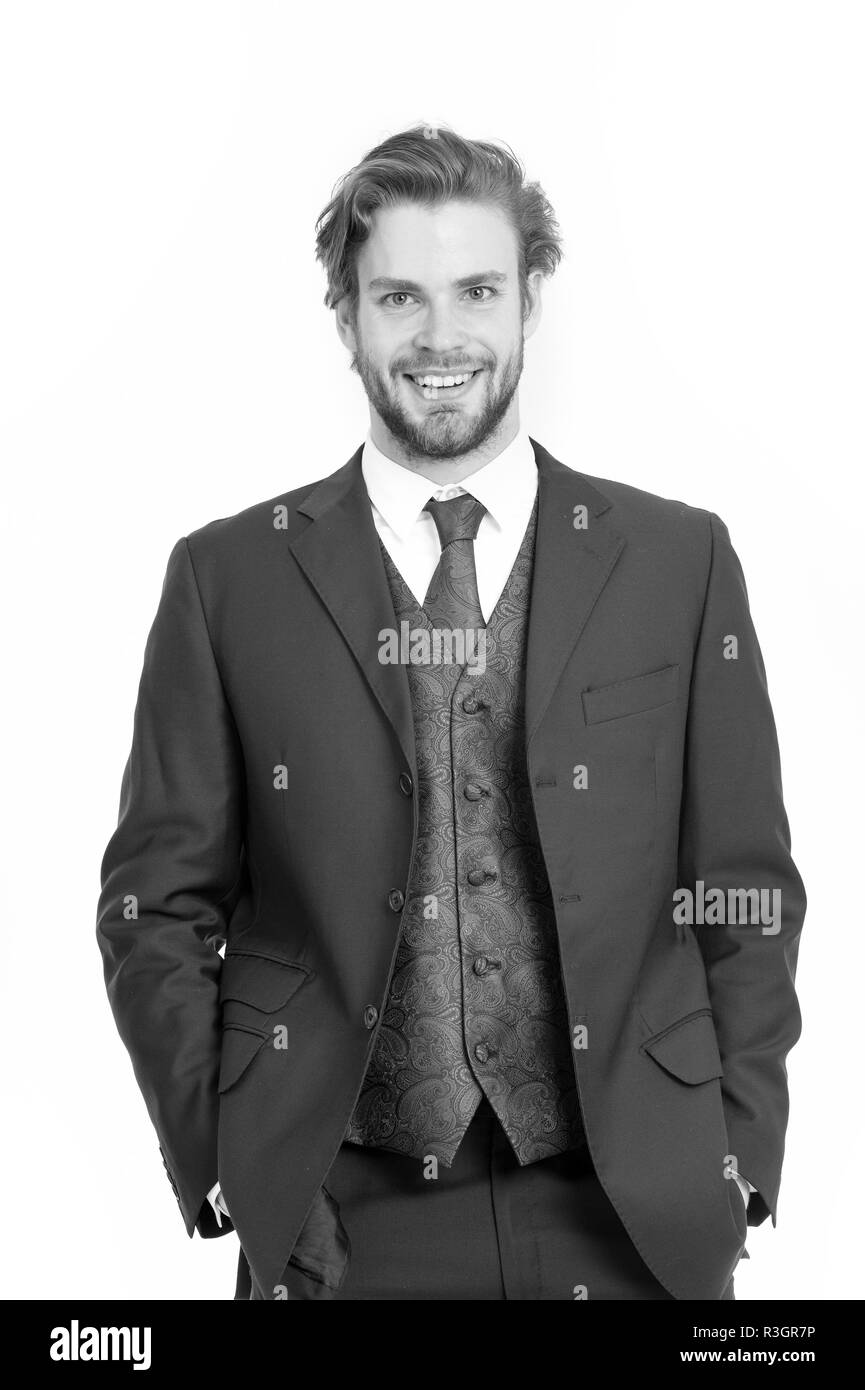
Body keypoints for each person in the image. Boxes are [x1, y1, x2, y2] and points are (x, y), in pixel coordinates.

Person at [96, 125, 806, 1300]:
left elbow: (746, 884)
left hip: (633, 1208)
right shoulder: (228, 580)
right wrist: (232, 1158)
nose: (440, 338)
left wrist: (734, 1151)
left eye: (477, 290)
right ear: (345, 317)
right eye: (397, 297)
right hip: (342, 1214)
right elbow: (153, 904)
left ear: (530, 300)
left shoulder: (679, 561)